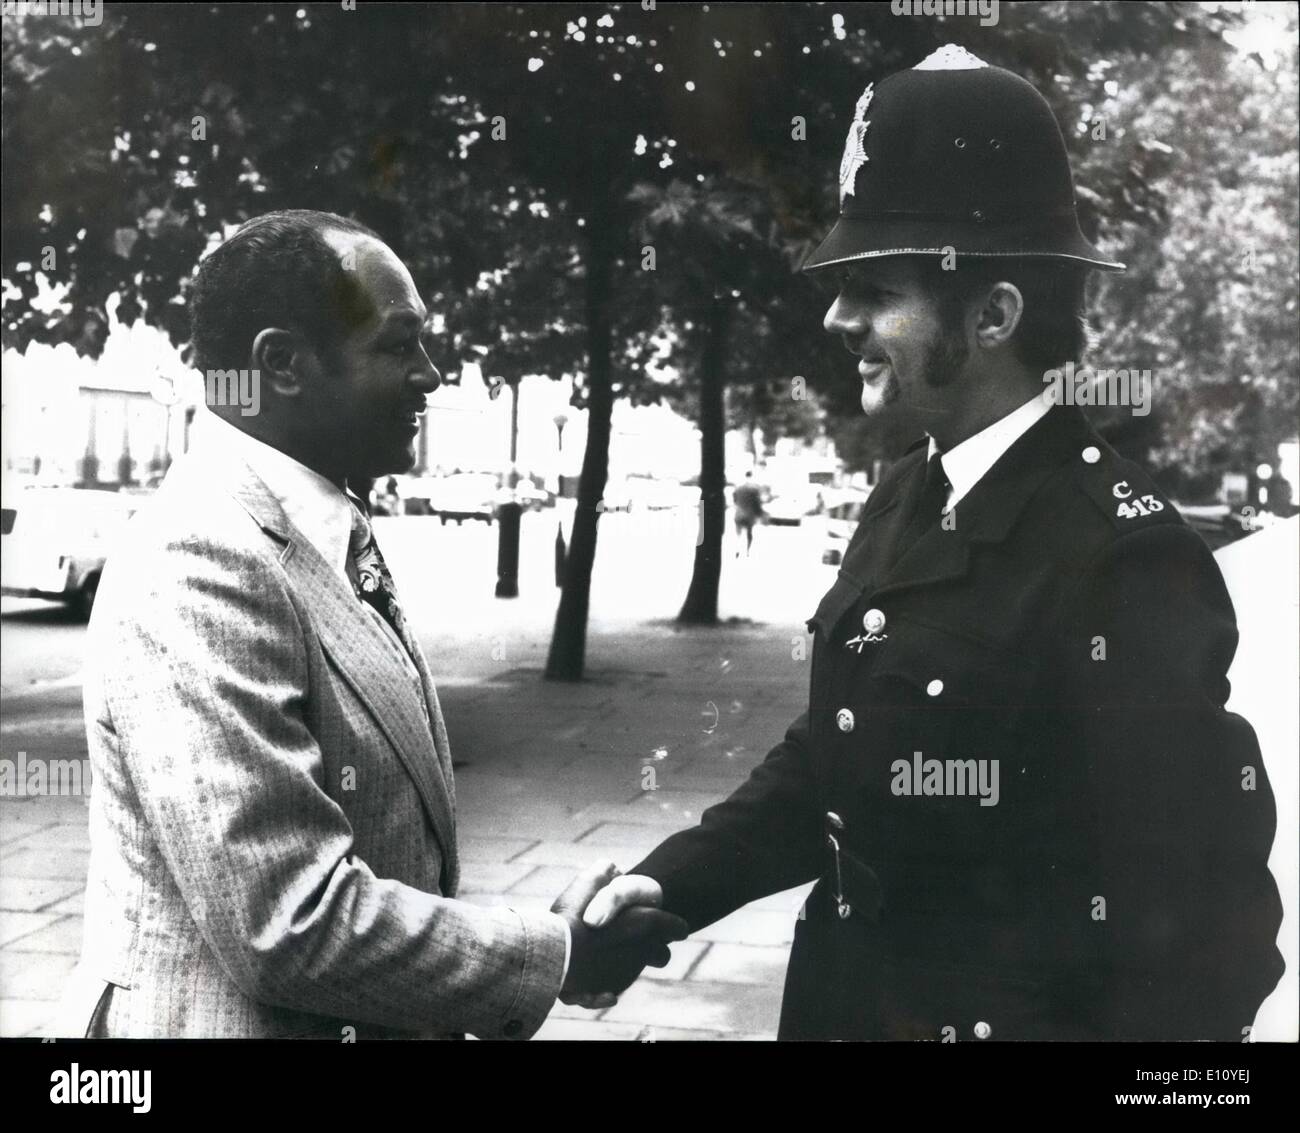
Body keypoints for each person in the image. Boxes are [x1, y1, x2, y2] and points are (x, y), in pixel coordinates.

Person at [585, 47, 1284, 1040]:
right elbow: (836, 758)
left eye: (875, 289)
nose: (836, 317)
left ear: (994, 313)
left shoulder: (1123, 559)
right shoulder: (907, 489)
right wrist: (667, 886)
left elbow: (1212, 934)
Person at [57, 209, 685, 1039]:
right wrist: (556, 950)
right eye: (398, 345)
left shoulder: (315, 514)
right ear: (280, 363)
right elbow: (286, 921)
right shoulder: (199, 556)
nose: (430, 374)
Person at [732, 470, 765, 557]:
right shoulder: (755, 488)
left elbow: (735, 501)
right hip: (749, 515)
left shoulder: (738, 488)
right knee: (749, 533)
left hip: (739, 514)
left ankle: (737, 549)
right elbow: (757, 502)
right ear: (752, 476)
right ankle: (747, 551)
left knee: (738, 533)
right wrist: (760, 514)